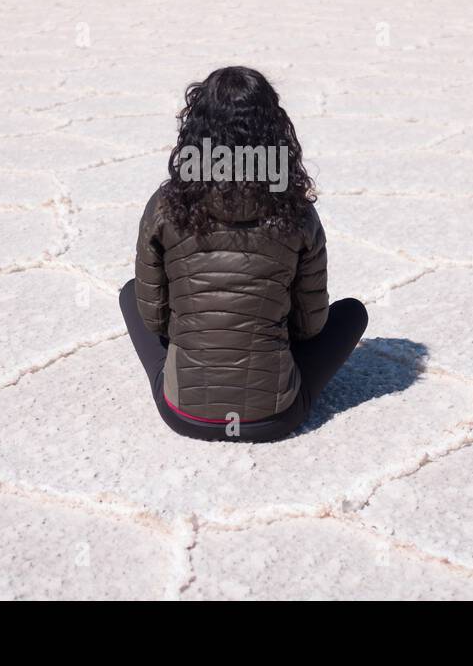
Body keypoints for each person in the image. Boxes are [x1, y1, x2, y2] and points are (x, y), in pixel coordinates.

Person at [118, 65, 368, 442]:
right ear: (274, 130)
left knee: (130, 292)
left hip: (184, 414)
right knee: (352, 314)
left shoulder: (166, 205)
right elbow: (310, 326)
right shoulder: (295, 211)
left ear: (196, 130)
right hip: (276, 416)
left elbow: (155, 321)